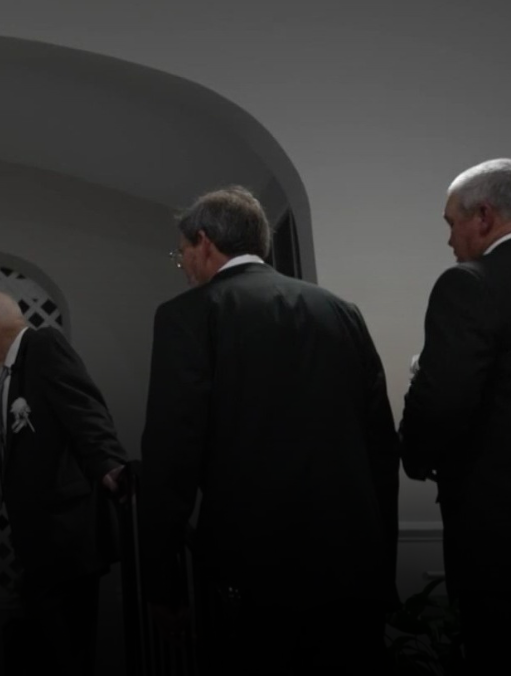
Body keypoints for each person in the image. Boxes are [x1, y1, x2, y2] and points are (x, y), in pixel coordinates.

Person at [137, 186, 399, 675]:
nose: (186, 267)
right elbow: (380, 445)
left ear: (204, 241)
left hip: (251, 564)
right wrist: (382, 569)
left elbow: (171, 452)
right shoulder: (340, 311)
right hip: (350, 562)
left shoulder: (188, 316)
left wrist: (162, 584)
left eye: (183, 255)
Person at [0, 291, 128, 675]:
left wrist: (110, 466)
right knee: (44, 650)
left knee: (66, 653)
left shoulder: (44, 346)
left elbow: (86, 413)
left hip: (67, 538)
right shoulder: (11, 374)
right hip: (40, 545)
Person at [400, 158, 511, 673]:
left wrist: (414, 452)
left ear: (484, 217)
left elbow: (445, 399)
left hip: (502, 525)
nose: (450, 241)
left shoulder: (470, 285)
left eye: (452, 224)